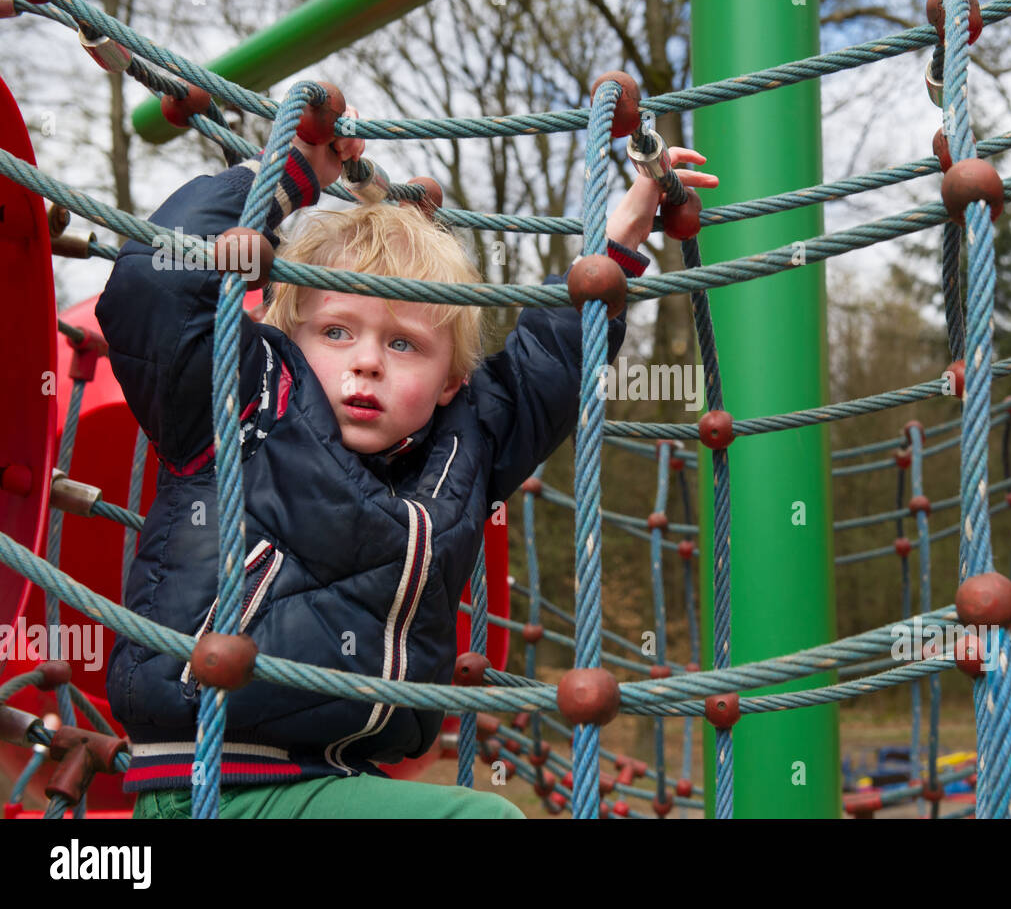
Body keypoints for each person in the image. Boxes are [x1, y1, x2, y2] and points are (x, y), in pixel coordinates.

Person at [95, 99, 717, 819]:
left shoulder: (462, 448)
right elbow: (153, 285)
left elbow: (551, 359)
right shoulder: (242, 399)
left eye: (403, 344)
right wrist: (284, 176)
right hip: (211, 776)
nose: (366, 363)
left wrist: (633, 217)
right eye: (336, 330)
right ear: (285, 332)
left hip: (336, 777)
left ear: (452, 378)